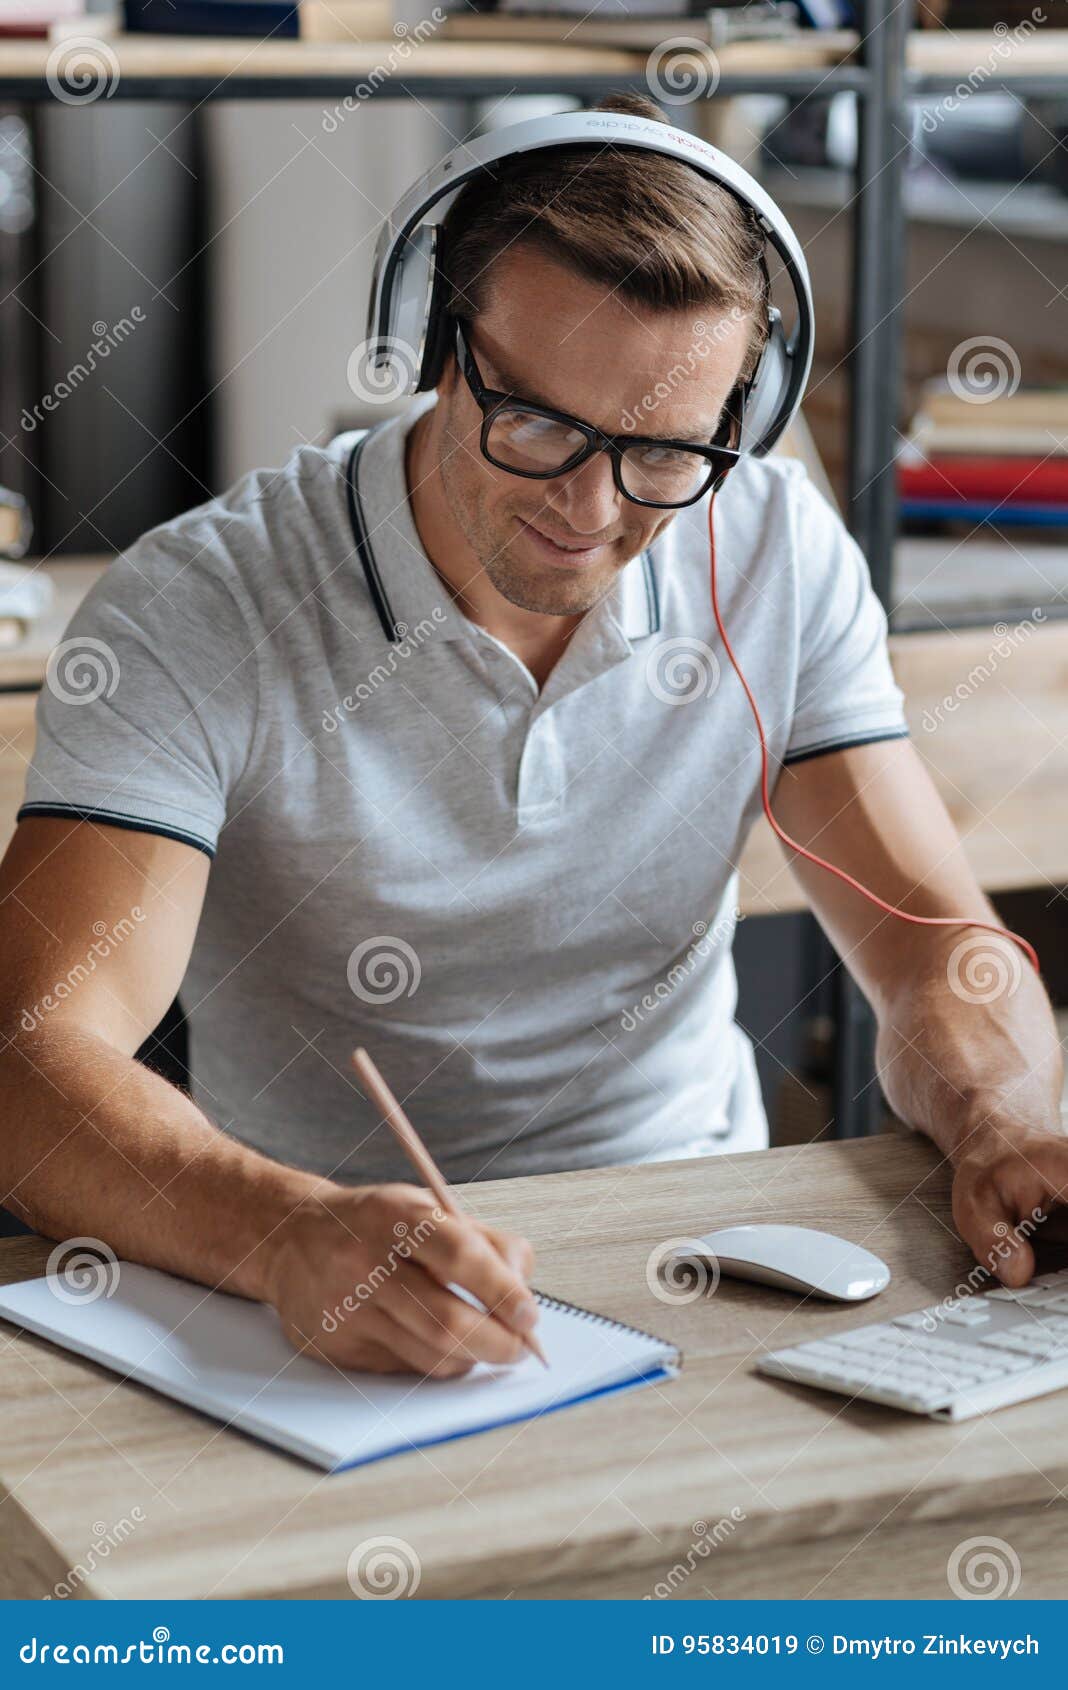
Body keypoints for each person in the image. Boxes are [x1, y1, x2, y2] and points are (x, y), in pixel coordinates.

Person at [1, 93, 1064, 1380]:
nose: (592, 508)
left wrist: (1004, 1116)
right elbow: (30, 1058)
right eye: (543, 424)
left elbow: (931, 941)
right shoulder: (201, 604)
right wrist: (284, 1232)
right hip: (330, 1284)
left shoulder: (775, 547)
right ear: (436, 347)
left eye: (664, 451)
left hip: (702, 1246)